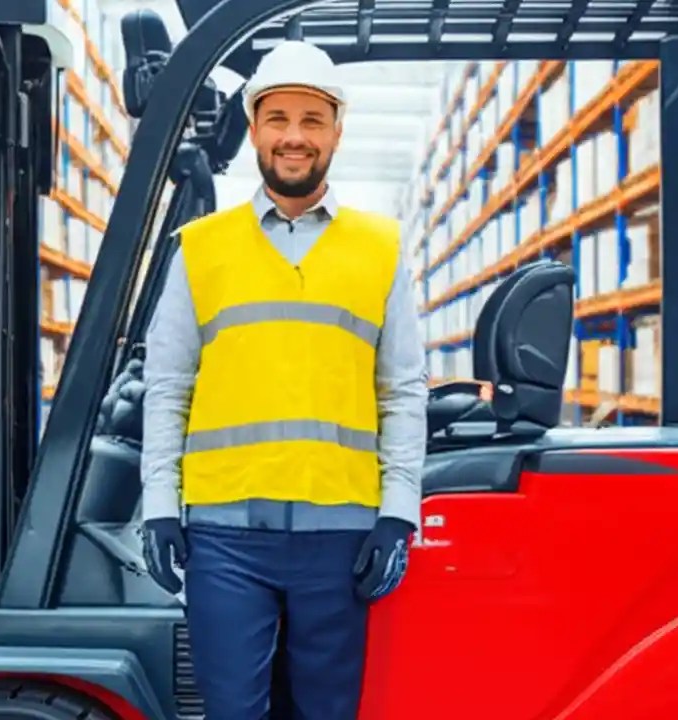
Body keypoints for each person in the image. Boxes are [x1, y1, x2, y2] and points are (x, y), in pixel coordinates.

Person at [139, 39, 428, 720]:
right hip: (225, 539)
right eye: (278, 119)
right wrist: (159, 501)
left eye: (311, 120)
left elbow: (403, 390)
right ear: (254, 127)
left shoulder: (380, 249)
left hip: (341, 540)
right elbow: (168, 383)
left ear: (335, 131)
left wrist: (397, 513)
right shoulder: (202, 249)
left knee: (325, 713)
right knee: (234, 711)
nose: (294, 137)